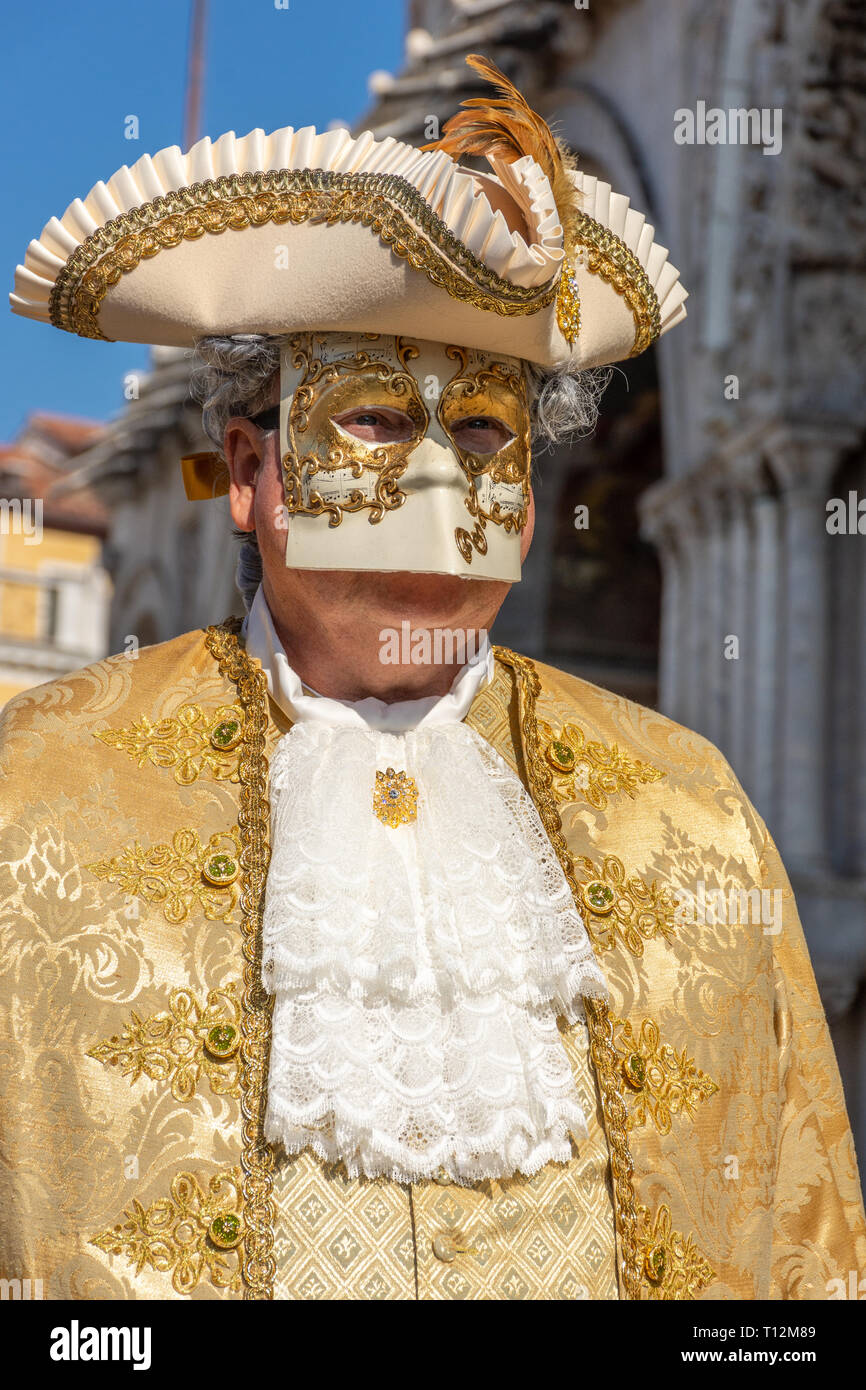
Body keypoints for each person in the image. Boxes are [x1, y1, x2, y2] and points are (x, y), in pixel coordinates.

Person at [3, 55, 863, 1301]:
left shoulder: (687, 813)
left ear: (526, 504)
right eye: (369, 422)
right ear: (248, 468)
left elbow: (804, 1259)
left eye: (478, 434)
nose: (435, 483)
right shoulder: (40, 787)